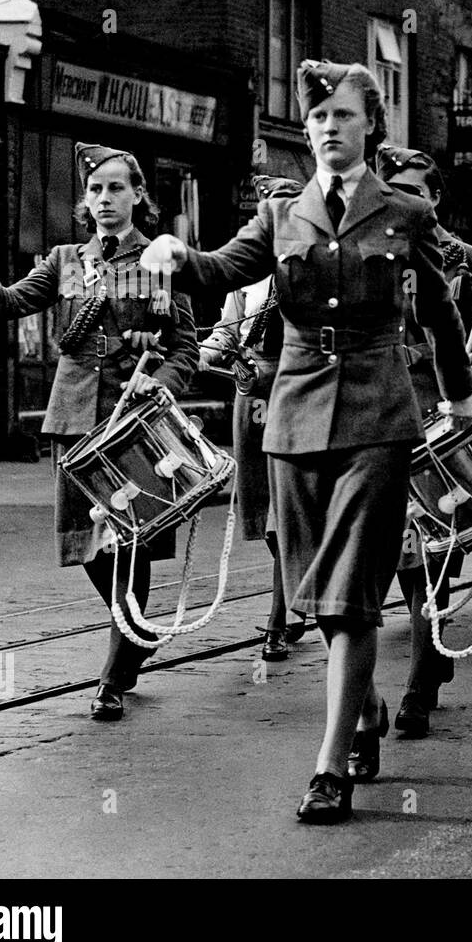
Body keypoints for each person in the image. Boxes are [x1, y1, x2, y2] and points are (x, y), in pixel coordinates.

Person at [140, 61, 472, 823]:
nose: (330, 127)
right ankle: (363, 709)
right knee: (312, 597)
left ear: (371, 128)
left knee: (352, 593)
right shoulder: (282, 214)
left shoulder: (405, 212)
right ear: (308, 130)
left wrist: (456, 401)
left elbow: (441, 319)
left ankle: (329, 769)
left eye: (345, 116)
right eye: (319, 116)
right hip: (291, 418)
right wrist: (175, 254)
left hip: (376, 417)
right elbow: (223, 268)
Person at [0, 142, 199, 721]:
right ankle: (134, 632)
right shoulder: (68, 259)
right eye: (95, 190)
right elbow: (15, 300)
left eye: (117, 188)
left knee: (128, 543)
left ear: (139, 196)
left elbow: (184, 348)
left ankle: (113, 677)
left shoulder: (160, 262)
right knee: (89, 545)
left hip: (132, 425)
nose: (105, 200)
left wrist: (158, 381)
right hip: (73, 421)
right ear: (84, 201)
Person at [374, 144, 472, 738]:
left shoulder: (462, 257)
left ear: (434, 199)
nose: (410, 200)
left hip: (438, 420)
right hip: (374, 420)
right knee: (384, 561)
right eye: (398, 188)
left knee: (431, 557)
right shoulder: (358, 248)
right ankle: (413, 667)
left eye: (420, 191)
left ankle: (419, 688)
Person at [199, 175, 310, 662]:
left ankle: (278, 621)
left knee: (288, 513)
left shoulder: (315, 263)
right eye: (265, 208)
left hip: (301, 397)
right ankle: (300, 592)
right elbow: (222, 335)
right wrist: (215, 354)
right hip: (253, 398)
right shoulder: (246, 273)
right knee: (264, 514)